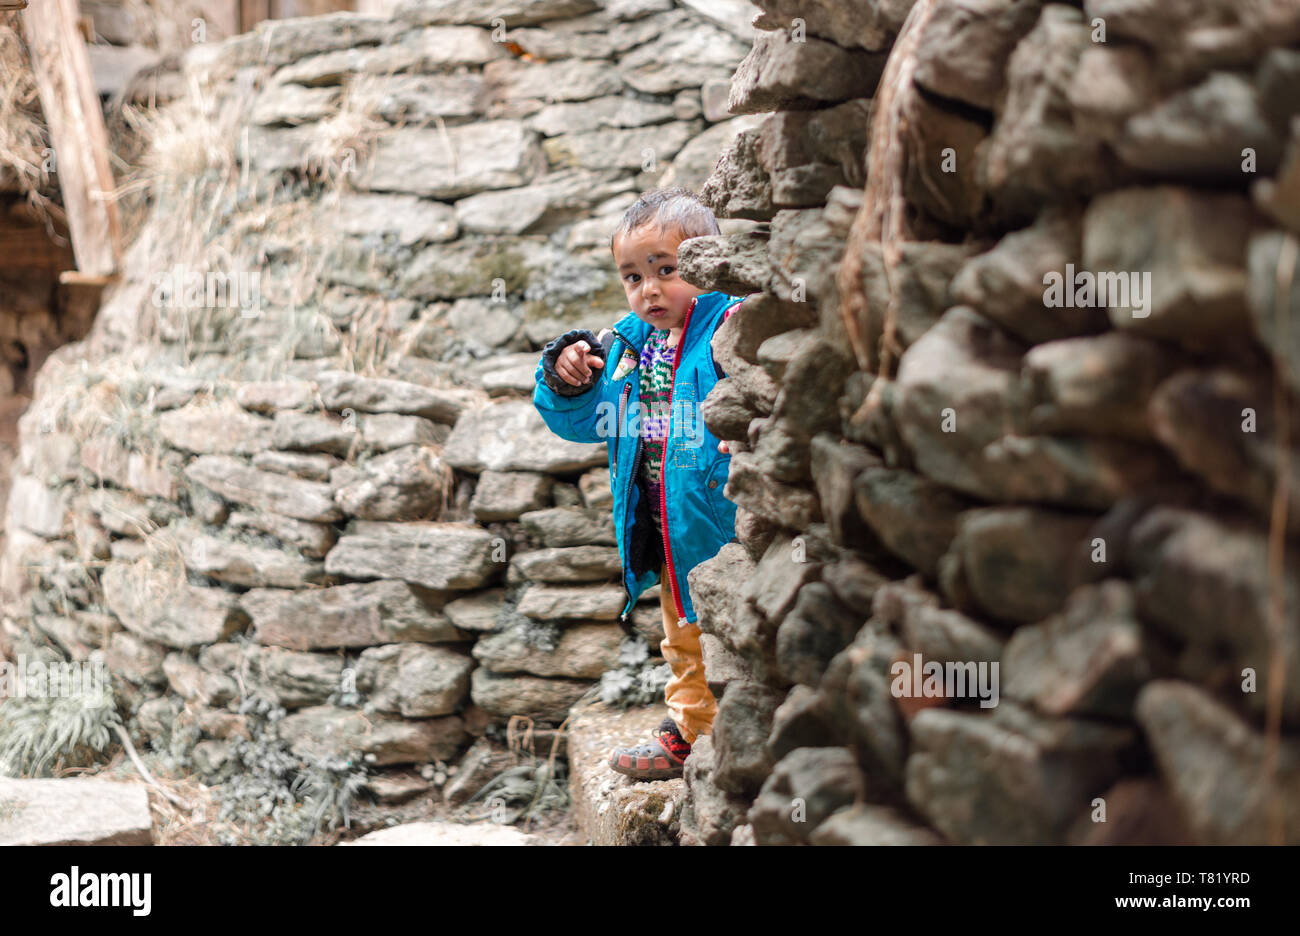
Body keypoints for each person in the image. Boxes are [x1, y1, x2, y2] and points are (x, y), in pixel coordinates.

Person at [532, 187, 748, 781]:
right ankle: (692, 731)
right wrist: (566, 376)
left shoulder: (728, 326)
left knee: (729, 627)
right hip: (663, 524)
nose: (648, 290)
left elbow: (757, 394)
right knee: (680, 635)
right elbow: (577, 421)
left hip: (721, 519)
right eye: (632, 276)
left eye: (666, 270)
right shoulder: (627, 347)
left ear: (707, 262)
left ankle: (728, 729)